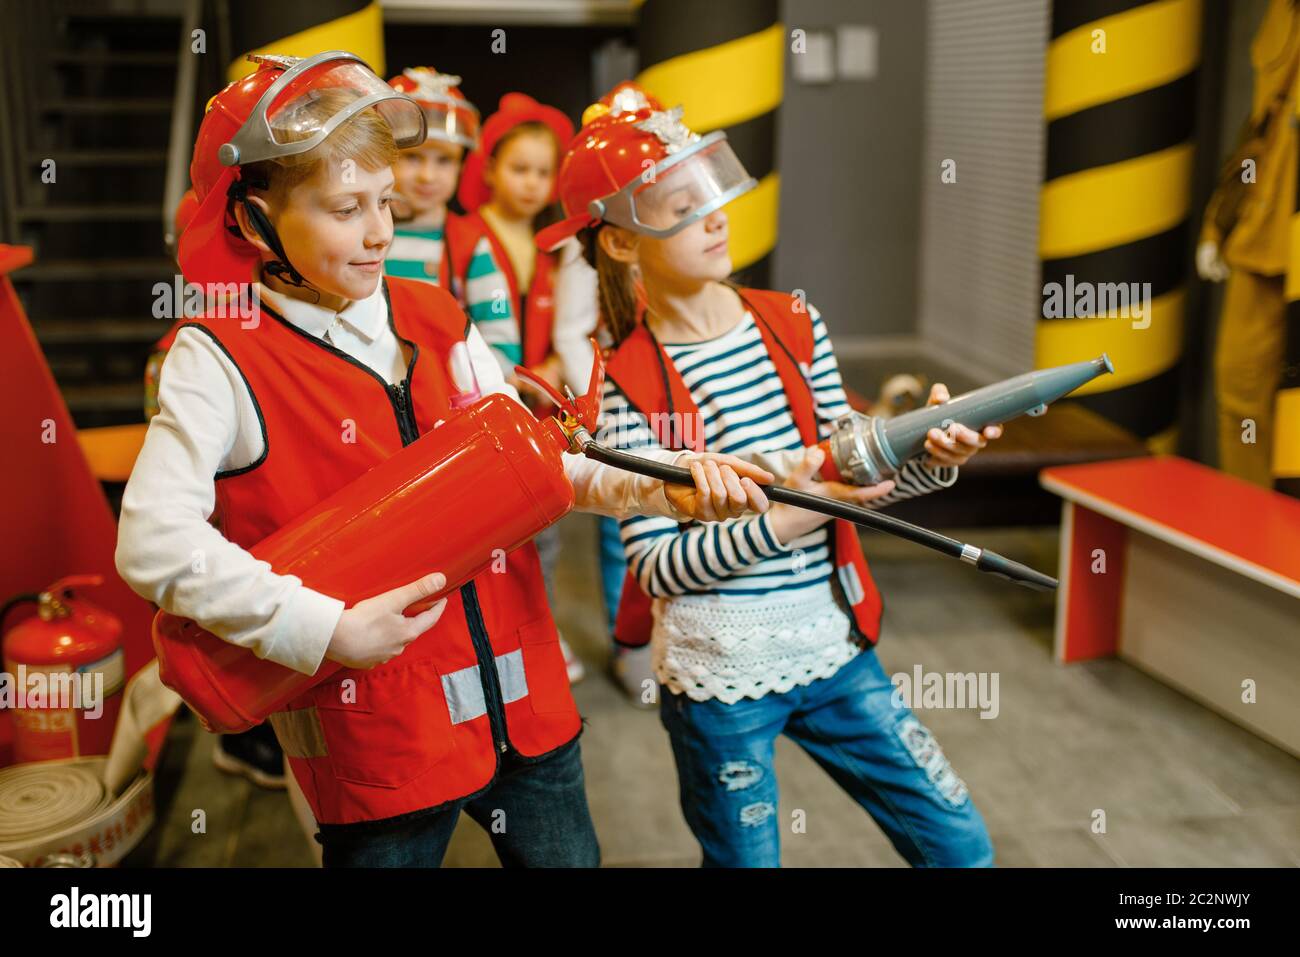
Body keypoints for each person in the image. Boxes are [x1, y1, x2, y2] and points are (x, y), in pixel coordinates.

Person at [115, 52, 773, 868]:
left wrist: (671, 485)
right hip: (379, 740)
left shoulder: (435, 315)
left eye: (385, 201)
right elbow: (153, 543)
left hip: (531, 713)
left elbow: (543, 468)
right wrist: (326, 630)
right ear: (253, 222)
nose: (383, 231)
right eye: (345, 208)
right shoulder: (215, 359)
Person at [536, 100, 1002, 867]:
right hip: (717, 673)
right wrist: (804, 513)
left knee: (960, 846)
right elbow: (658, 566)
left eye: (713, 196)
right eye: (684, 209)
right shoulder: (623, 378)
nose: (716, 219)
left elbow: (851, 472)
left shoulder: (794, 322)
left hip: (834, 646)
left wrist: (935, 452)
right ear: (621, 240)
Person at [384, 67, 521, 376]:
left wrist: (449, 382)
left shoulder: (470, 246)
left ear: (461, 165)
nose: (427, 176)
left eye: (444, 160)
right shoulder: (359, 236)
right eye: (412, 157)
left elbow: (504, 348)